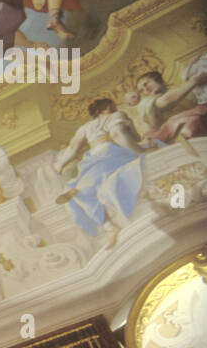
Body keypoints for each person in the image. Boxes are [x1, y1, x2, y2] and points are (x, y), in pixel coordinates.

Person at [51, 96, 147, 246]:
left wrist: (60, 164)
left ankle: (107, 226)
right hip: (110, 152)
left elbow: (72, 148)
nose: (114, 108)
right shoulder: (115, 117)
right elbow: (121, 135)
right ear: (101, 110)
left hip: (100, 155)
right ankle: (107, 225)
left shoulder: (86, 127)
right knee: (87, 185)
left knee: (83, 188)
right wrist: (139, 149)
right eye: (112, 106)